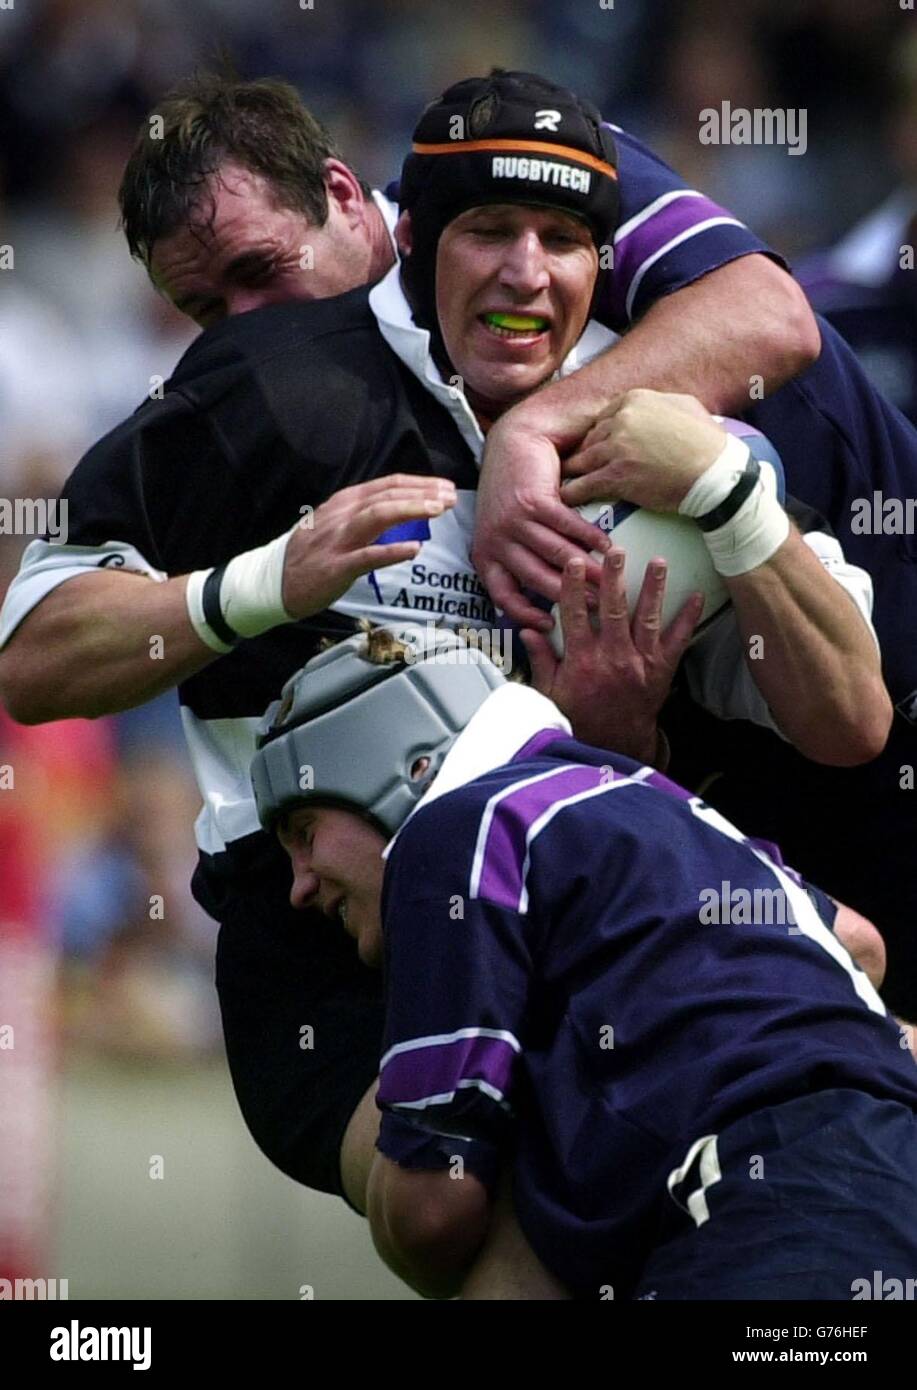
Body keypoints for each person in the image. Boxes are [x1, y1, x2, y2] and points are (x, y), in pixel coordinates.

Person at [0, 72, 890, 1212]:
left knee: (843, 996)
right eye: (204, 306)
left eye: (558, 239)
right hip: (328, 960)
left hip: (570, 920)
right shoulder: (264, 394)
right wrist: (267, 582)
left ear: (363, 210)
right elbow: (32, 657)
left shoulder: (655, 431)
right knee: (455, 1208)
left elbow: (849, 716)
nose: (246, 324)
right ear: (425, 242)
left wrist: (719, 497)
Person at [250, 622, 917, 1301]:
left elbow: (430, 1210)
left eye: (305, 835)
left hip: (760, 1221)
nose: (300, 886)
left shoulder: (458, 828)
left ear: (410, 766)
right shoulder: (667, 807)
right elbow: (859, 945)